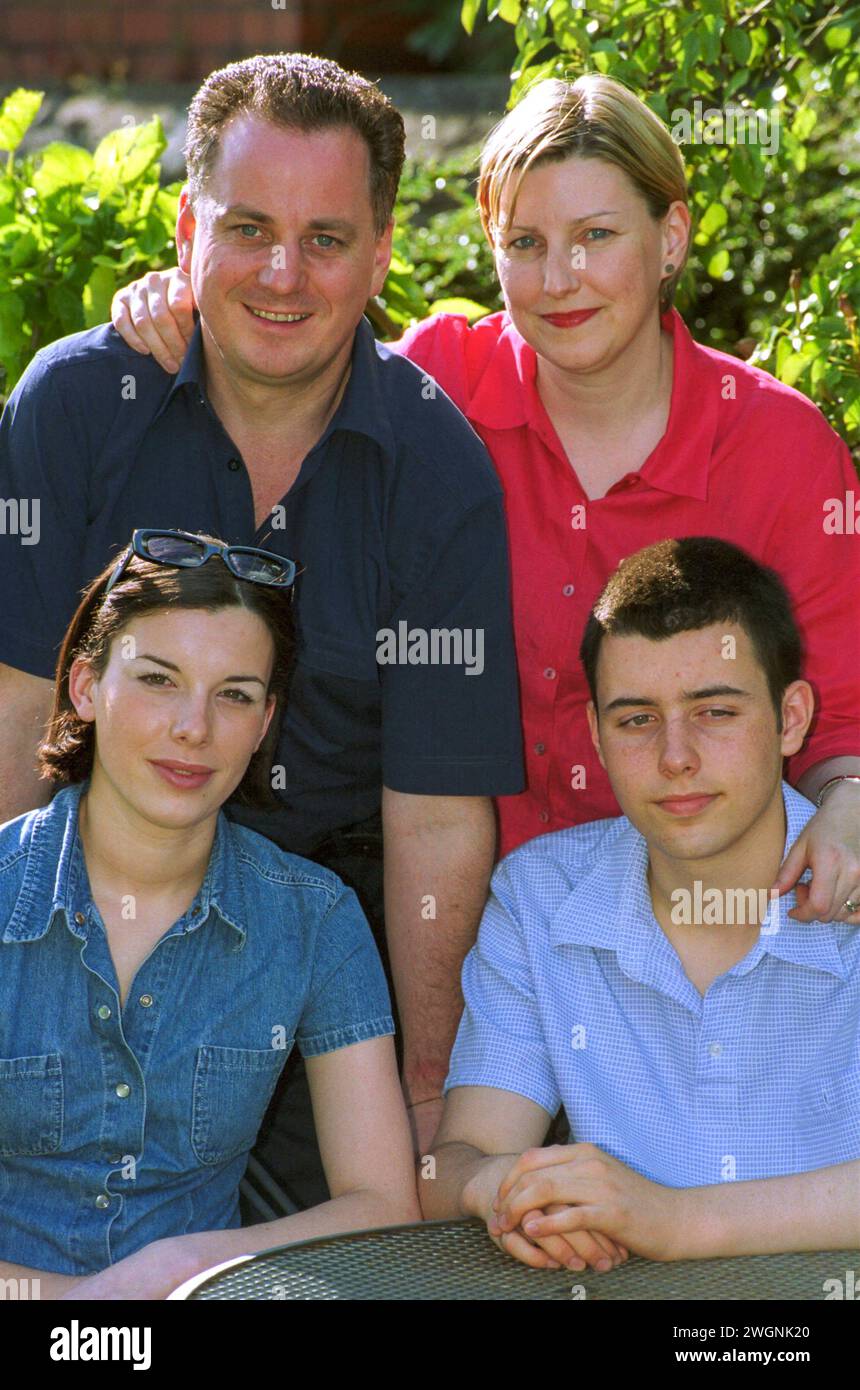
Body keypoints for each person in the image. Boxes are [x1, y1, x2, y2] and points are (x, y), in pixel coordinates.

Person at [114, 71, 860, 925]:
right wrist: (183, 298)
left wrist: (849, 801)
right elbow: (290, 334)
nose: (559, 279)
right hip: (466, 924)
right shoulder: (438, 389)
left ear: (673, 237)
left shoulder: (780, 448)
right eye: (526, 243)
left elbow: (840, 715)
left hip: (702, 918)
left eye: (596, 235)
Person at [0, 53, 526, 1199]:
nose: (283, 274)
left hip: (323, 964)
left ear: (381, 251)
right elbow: (13, 714)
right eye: (247, 228)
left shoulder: (436, 470)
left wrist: (428, 1095)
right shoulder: (79, 407)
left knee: (320, 1259)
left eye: (327, 239)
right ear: (187, 225)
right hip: (86, 915)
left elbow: (436, 816)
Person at [0, 529, 419, 1300]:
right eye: (159, 679)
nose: (195, 727)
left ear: (265, 725)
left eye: (234, 694)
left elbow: (382, 1207)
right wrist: (82, 1308)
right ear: (86, 688)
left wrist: (183, 1267)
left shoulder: (315, 919)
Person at [420, 537, 860, 1270]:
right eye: (635, 720)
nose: (675, 757)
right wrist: (512, 1189)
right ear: (594, 734)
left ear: (791, 718)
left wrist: (675, 1221)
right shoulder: (540, 898)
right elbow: (455, 1161)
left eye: (715, 711)